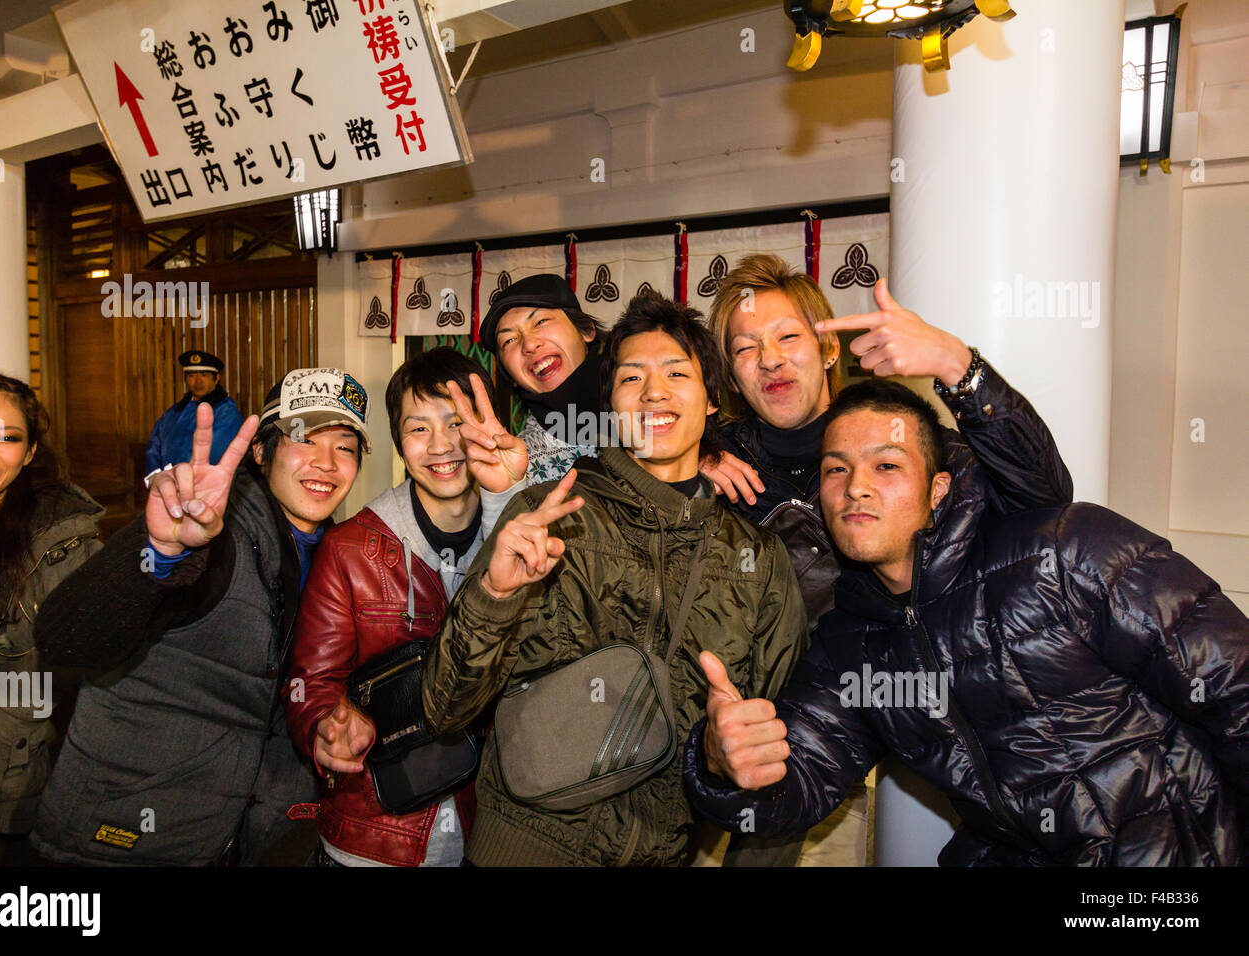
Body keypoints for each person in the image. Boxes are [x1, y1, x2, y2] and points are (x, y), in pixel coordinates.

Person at [685, 380, 1249, 866]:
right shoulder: (849, 644)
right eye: (837, 469)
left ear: (938, 489)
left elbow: (1235, 688)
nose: (856, 486)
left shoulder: (1063, 553)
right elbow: (795, 786)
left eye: (886, 465)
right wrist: (722, 762)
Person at [699, 254, 1074, 865]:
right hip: (728, 735)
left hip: (845, 738)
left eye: (788, 336)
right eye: (745, 348)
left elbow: (1045, 496)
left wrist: (959, 365)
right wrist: (687, 455)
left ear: (827, 352)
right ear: (730, 377)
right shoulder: (708, 465)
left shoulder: (898, 443)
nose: (769, 358)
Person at [424, 290, 808, 866]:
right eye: (632, 378)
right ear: (610, 405)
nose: (654, 390)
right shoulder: (545, 514)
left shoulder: (757, 560)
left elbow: (778, 756)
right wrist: (493, 596)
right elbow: (445, 710)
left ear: (711, 400)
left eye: (677, 372)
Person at [30, 367, 371, 866]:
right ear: (260, 452)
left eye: (344, 446)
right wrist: (157, 554)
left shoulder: (339, 558)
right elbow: (65, 638)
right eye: (303, 438)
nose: (326, 462)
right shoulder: (213, 539)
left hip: (247, 839)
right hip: (122, 841)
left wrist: (327, 722)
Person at [285, 348, 527, 866]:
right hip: (373, 835)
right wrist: (326, 725)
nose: (442, 446)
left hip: (489, 828)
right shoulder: (350, 549)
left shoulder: (525, 536)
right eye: (418, 429)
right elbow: (311, 680)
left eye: (456, 422)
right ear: (398, 442)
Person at [0, 372, 103, 866]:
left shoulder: (62, 545)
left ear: (31, 452)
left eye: (8, 437)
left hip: (3, 794)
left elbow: (112, 641)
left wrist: (167, 556)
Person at [480, 273, 757, 495]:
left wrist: (688, 457)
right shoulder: (520, 462)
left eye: (540, 321)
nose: (529, 344)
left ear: (587, 330)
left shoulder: (661, 412)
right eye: (509, 341)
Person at [145, 350, 244, 473]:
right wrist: (155, 475)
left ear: (216, 378)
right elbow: (155, 443)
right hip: (165, 485)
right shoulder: (174, 411)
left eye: (203, 375)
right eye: (191, 375)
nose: (197, 381)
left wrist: (179, 475)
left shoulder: (226, 412)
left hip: (203, 484)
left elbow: (215, 453)